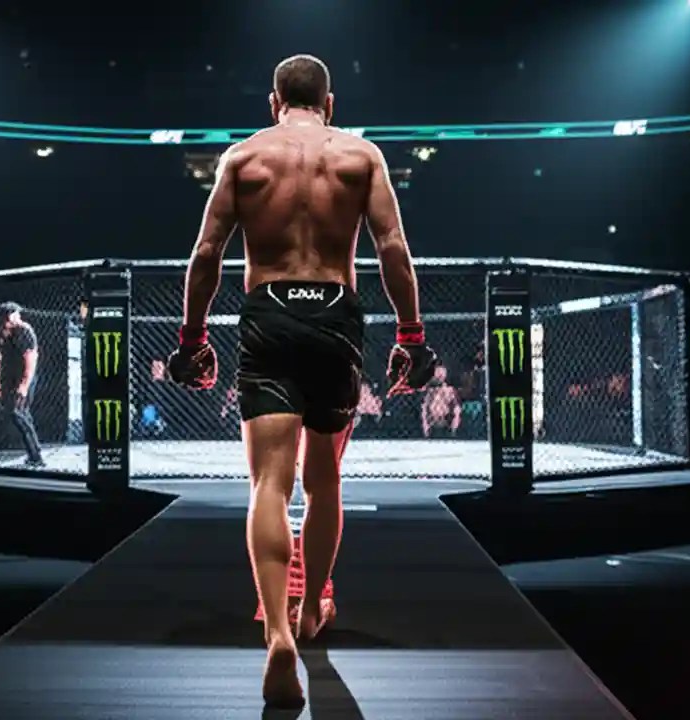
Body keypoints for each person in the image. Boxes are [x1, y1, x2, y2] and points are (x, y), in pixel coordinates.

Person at [166, 54, 436, 708]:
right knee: (323, 480)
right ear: (330, 103)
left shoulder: (243, 157)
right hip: (335, 316)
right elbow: (393, 249)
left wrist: (192, 339)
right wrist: (411, 336)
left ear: (273, 101)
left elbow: (206, 253)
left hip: (270, 313)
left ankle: (278, 633)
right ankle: (313, 605)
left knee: (269, 482)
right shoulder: (361, 155)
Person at [0, 302, 44, 467]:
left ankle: (36, 456)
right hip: (13, 378)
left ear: (16, 315)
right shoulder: (7, 333)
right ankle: (34, 453)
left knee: (18, 412)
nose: (8, 319)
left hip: (25, 377)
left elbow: (30, 359)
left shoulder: (24, 331)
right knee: (21, 413)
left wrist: (24, 385)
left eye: (11, 315)